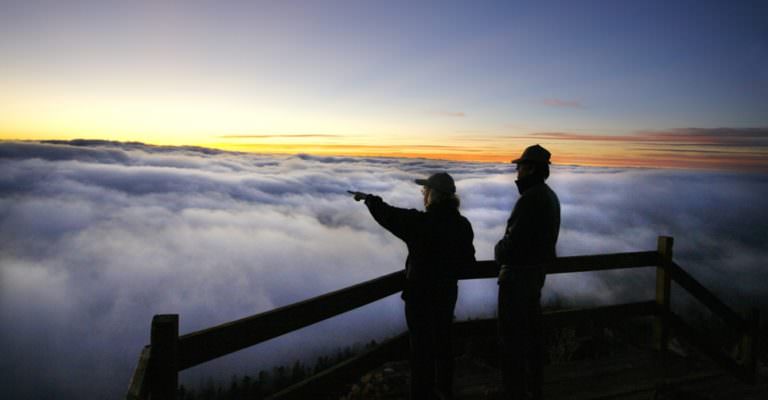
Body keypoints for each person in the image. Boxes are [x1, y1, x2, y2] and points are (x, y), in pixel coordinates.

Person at [351, 172, 475, 400]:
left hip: (420, 298)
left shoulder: (421, 223)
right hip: (447, 295)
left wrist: (369, 200)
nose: (423, 194)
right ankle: (444, 391)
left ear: (434, 195)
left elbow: (389, 215)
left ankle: (422, 394)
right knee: (443, 346)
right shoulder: (462, 226)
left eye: (425, 190)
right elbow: (469, 263)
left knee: (421, 353)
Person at [495, 144, 560, 400]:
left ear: (531, 168)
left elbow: (511, 246)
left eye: (520, 166)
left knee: (511, 341)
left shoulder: (530, 199)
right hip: (535, 278)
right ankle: (533, 389)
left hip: (516, 280)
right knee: (531, 338)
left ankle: (514, 392)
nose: (517, 171)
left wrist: (498, 249)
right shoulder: (549, 196)